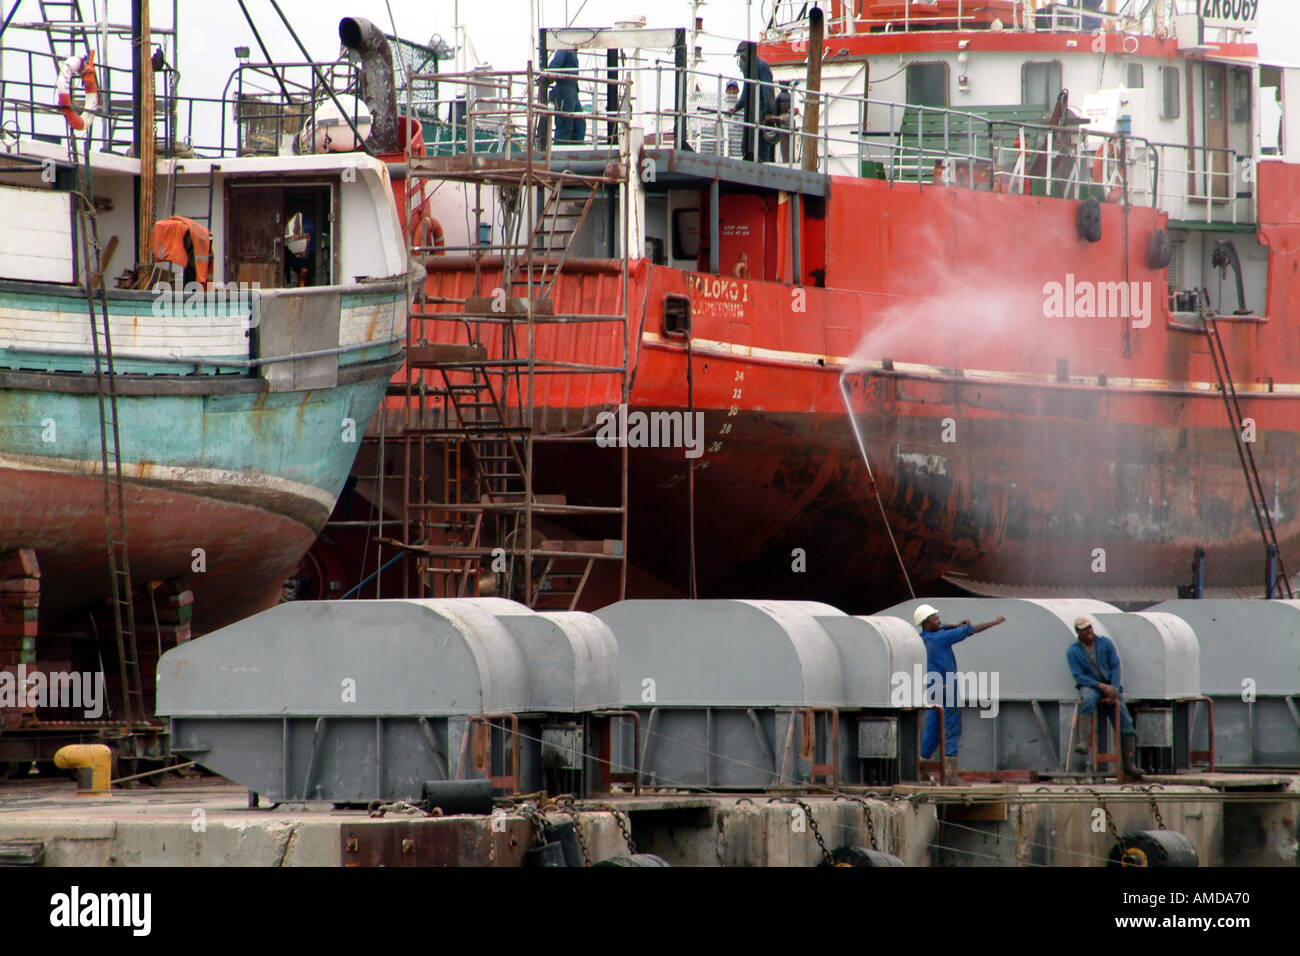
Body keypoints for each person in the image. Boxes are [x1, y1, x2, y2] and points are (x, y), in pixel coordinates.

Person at [913, 604, 1007, 784]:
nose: (939, 620)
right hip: (948, 689)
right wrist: (994, 622)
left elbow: (944, 627)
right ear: (926, 623)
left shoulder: (924, 638)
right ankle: (950, 776)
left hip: (932, 689)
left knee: (932, 729)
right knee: (951, 728)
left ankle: (922, 772)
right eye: (935, 619)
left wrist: (955, 624)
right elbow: (970, 631)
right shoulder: (941, 638)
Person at [1067, 615, 1144, 778]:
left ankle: (1129, 764)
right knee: (1087, 700)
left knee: (1125, 720)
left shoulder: (1105, 643)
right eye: (1084, 629)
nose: (1088, 631)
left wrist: (1114, 689)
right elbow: (1079, 676)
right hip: (1091, 686)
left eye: (1089, 627)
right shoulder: (1073, 651)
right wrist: (1101, 686)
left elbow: (1115, 666)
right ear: (1077, 632)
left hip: (1110, 685)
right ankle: (1084, 741)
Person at [729, 40, 775, 162]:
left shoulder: (761, 66)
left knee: (760, 140)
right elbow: (746, 91)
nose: (741, 59)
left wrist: (769, 112)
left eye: (742, 56)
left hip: (761, 108)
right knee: (746, 141)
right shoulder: (747, 69)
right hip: (750, 110)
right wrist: (736, 107)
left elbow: (768, 91)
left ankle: (763, 163)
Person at [547, 48, 585, 145]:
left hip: (572, 91)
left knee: (579, 124)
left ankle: (575, 149)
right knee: (565, 124)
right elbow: (554, 66)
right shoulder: (564, 48)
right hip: (564, 91)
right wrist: (548, 76)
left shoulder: (571, 51)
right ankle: (560, 150)